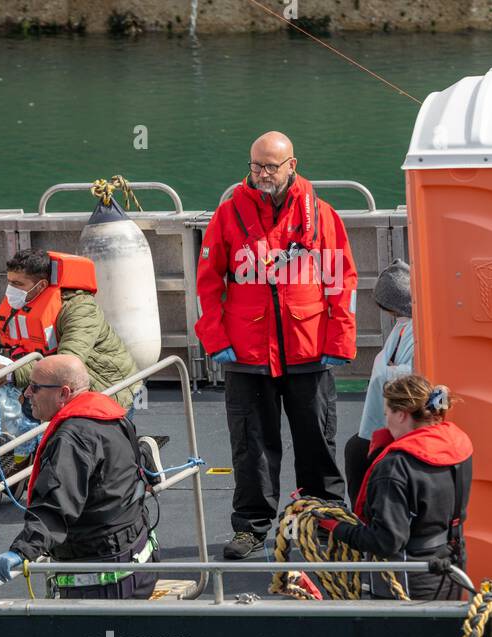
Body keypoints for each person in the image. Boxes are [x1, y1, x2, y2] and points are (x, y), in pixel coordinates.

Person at [195, 130, 359, 559]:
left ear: (292, 165)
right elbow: (208, 283)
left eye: (271, 166)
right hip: (247, 354)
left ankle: (324, 522)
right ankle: (251, 528)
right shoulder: (228, 215)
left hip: (309, 349)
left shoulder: (322, 216)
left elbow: (342, 281)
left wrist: (339, 339)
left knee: (317, 443)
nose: (263, 174)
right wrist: (216, 339)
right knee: (250, 446)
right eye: (256, 166)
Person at [0, 355, 155, 599]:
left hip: (103, 582)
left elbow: (55, 505)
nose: (26, 394)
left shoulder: (71, 439)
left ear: (63, 393)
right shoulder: (111, 416)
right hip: (136, 560)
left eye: (35, 387)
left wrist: (22, 551)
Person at [322, 375, 472, 600]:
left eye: (387, 414)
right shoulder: (457, 447)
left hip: (407, 583)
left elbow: (386, 541)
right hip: (451, 569)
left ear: (401, 414)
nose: (386, 421)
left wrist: (335, 526)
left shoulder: (395, 467)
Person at [0, 248, 141, 410]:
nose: (10, 289)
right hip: (55, 388)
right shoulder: (24, 302)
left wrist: (9, 374)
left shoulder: (81, 309)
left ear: (41, 285)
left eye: (17, 284)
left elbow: (66, 364)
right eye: (9, 282)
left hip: (107, 387)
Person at [346, 259, 414, 506]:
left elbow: (412, 373)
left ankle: (364, 515)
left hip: (408, 416)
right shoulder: (405, 328)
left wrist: (385, 371)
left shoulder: (412, 329)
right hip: (399, 412)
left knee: (357, 451)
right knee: (356, 450)